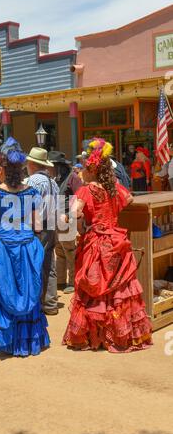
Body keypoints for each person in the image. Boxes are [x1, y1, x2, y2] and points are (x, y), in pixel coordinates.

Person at [62, 138, 153, 353]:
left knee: (95, 289)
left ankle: (97, 336)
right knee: (119, 289)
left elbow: (74, 213)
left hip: (95, 242)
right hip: (116, 239)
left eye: (84, 167)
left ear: (91, 169)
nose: (82, 171)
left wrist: (66, 217)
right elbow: (129, 199)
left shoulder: (85, 191)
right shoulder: (115, 188)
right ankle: (121, 334)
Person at [0, 137, 50, 356]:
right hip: (27, 248)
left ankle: (10, 342)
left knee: (5, 292)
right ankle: (29, 342)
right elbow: (38, 226)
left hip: (3, 249)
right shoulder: (31, 193)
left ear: (1, 169)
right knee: (28, 291)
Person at [25, 147, 59, 315]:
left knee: (33, 264)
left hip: (37, 227)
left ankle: (35, 304)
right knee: (49, 264)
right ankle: (50, 303)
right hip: (51, 225)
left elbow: (27, 206)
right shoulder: (52, 181)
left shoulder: (32, 181)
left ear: (32, 163)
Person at [56, 158, 83, 294]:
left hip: (67, 218)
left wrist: (70, 215)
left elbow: (78, 197)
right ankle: (60, 281)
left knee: (70, 252)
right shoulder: (56, 179)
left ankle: (72, 281)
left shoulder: (73, 178)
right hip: (56, 218)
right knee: (59, 251)